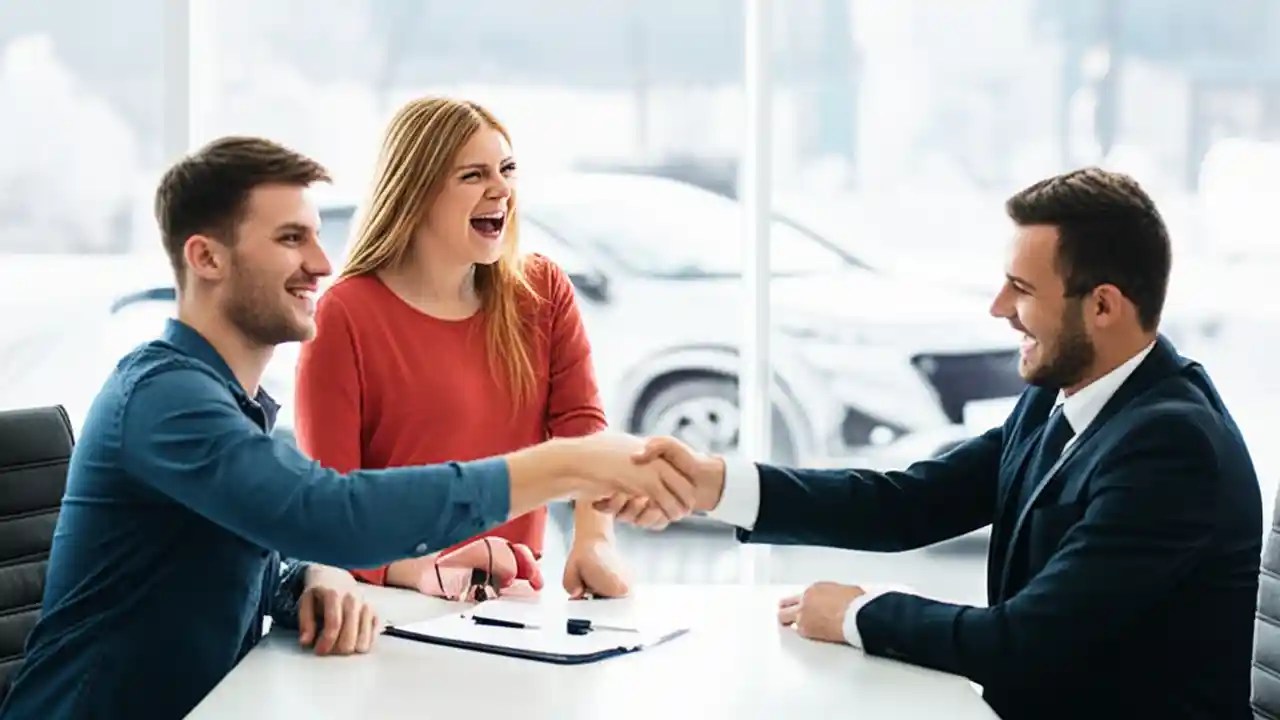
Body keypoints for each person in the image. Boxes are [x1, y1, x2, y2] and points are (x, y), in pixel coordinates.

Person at [0, 137, 692, 720]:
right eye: (290, 239)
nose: (323, 264)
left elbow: (245, 544)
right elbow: (325, 512)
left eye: (315, 236)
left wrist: (307, 578)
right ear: (206, 258)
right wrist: (569, 464)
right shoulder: (165, 400)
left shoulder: (225, 401)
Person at [625, 168, 1262, 719]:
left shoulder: (1173, 447)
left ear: (1103, 306)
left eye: (1022, 289)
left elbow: (1023, 641)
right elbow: (909, 502)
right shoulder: (1062, 394)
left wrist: (858, 615)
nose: (998, 307)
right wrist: (715, 485)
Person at [293, 96, 629, 600]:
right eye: (473, 175)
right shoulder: (343, 314)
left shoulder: (542, 290)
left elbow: (582, 429)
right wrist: (422, 570)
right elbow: (330, 510)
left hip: (512, 599)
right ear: (416, 192)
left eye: (507, 170)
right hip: (397, 601)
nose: (502, 189)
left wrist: (595, 540)